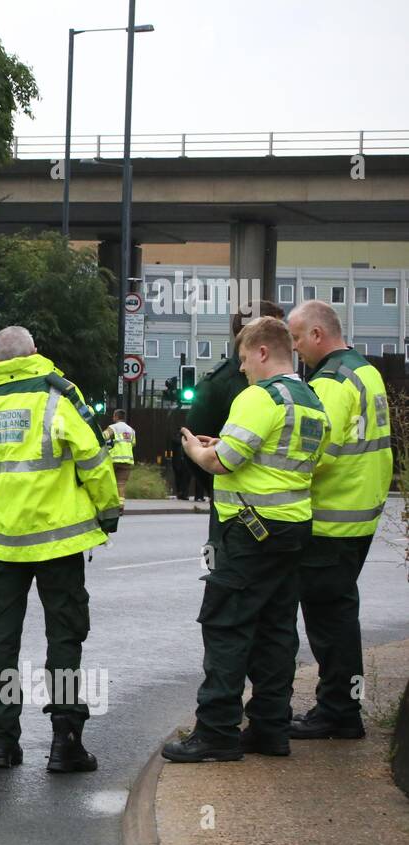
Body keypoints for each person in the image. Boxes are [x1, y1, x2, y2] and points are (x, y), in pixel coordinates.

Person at [164, 316, 330, 763]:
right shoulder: (311, 399)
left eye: (243, 359)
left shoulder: (259, 397)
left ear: (261, 352)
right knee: (277, 630)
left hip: (249, 532)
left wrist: (198, 450)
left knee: (227, 627)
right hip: (293, 528)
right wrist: (225, 445)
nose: (241, 370)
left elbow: (223, 464)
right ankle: (271, 730)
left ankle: (216, 732)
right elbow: (278, 458)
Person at [0, 326, 121, 771]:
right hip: (58, 536)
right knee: (64, 639)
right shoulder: (59, 393)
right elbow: (92, 455)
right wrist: (107, 509)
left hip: (2, 537)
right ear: (35, 352)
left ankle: (2, 744)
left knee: (1, 640)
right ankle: (64, 743)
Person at [286, 301, 393, 740]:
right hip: (360, 513)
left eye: (295, 338)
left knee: (330, 621)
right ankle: (343, 707)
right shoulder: (364, 370)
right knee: (341, 612)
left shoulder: (330, 382)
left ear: (316, 334)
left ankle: (338, 713)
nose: (294, 348)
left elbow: (317, 453)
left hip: (332, 517)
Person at [187, 302, 287, 507]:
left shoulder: (286, 384)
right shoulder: (219, 385)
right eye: (276, 330)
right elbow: (193, 444)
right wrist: (221, 486)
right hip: (236, 514)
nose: (285, 341)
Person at [102, 410, 137, 503]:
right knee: (121, 484)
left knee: (109, 483)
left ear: (116, 417)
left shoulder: (113, 428)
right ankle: (121, 506)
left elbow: (103, 437)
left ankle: (110, 504)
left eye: (113, 416)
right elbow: (133, 444)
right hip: (127, 461)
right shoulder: (131, 430)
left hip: (114, 460)